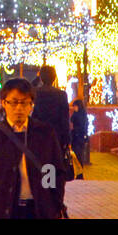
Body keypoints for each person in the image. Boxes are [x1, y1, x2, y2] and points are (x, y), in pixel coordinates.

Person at [0, 77, 67, 219]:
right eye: (14, 102)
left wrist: (53, 202)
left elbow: (54, 171)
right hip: (3, 211)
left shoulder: (45, 134)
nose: (19, 108)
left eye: (24, 103)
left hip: (38, 210)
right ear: (4, 103)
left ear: (31, 105)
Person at [30, 65, 73, 195]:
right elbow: (65, 119)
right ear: (54, 77)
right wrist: (67, 140)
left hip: (38, 136)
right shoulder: (61, 95)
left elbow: (33, 115)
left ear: (41, 77)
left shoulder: (35, 93)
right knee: (54, 166)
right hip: (56, 137)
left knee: (40, 165)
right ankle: (52, 194)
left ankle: (42, 193)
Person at [69, 98, 89, 169]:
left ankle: (79, 171)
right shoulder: (80, 114)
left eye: (75, 106)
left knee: (78, 155)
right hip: (77, 138)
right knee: (77, 155)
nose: (74, 108)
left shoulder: (79, 115)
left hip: (78, 138)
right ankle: (78, 170)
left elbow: (81, 126)